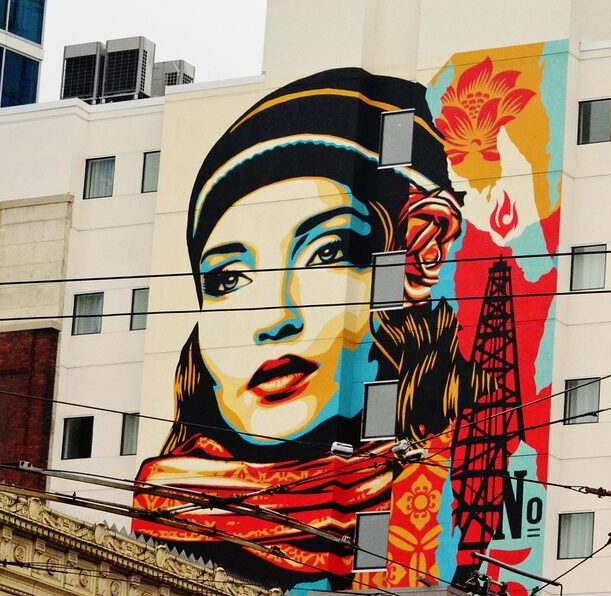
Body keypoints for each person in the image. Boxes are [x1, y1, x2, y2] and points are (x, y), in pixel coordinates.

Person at [132, 68, 489, 590]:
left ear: (415, 257)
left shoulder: (457, 482)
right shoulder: (167, 507)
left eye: (328, 252)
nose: (276, 319)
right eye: (228, 279)